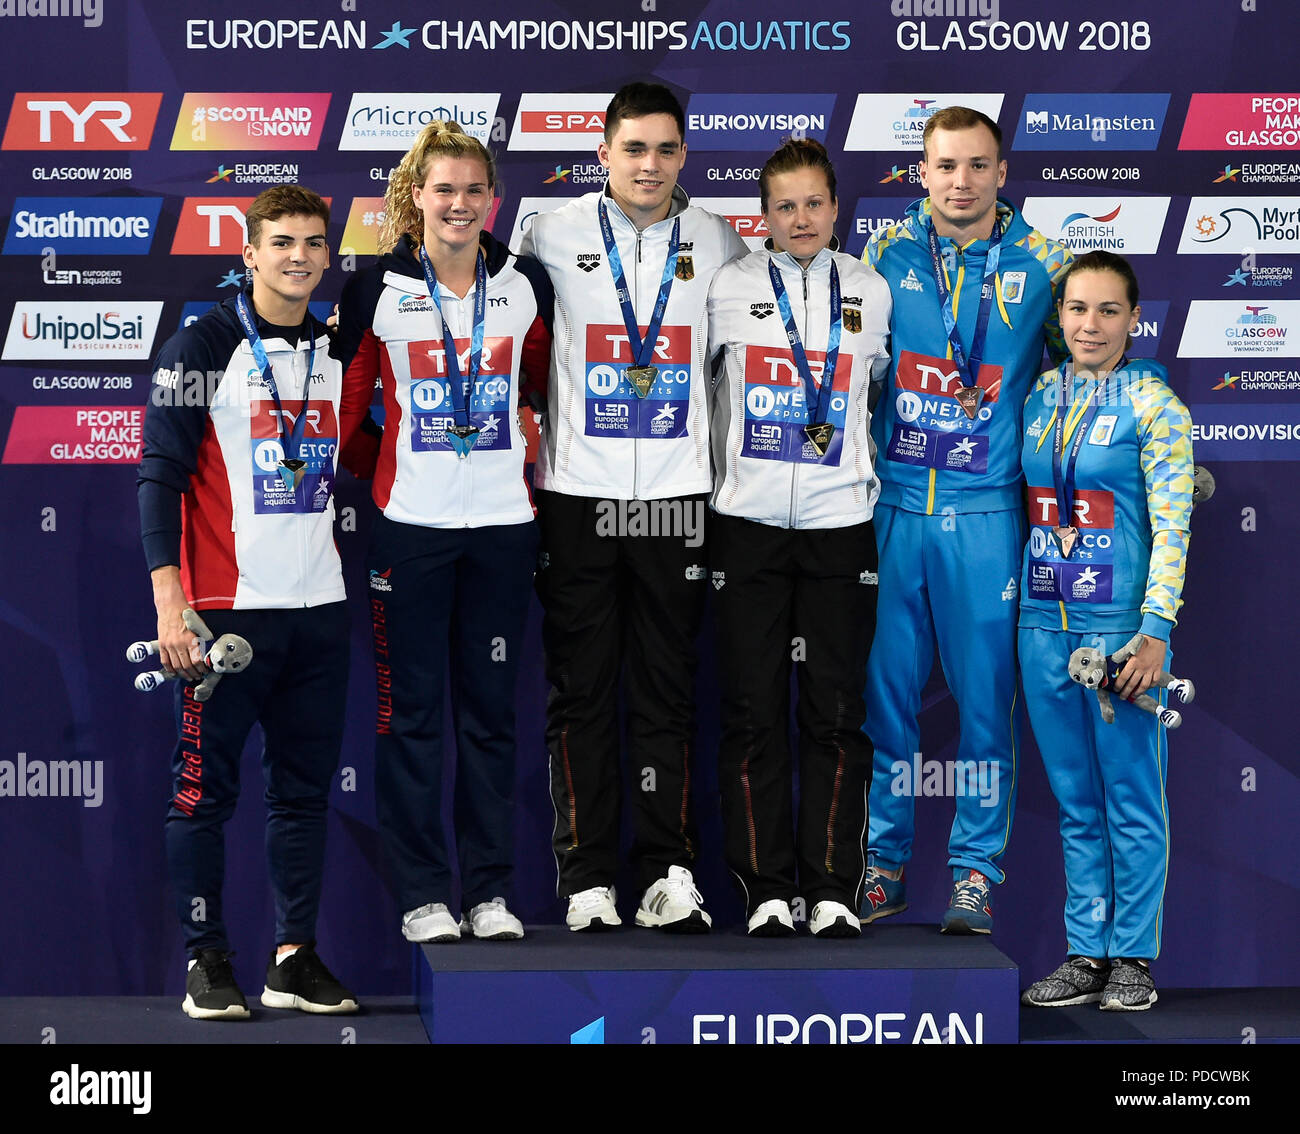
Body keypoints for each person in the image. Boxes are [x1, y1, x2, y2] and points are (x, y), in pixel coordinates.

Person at [518, 82, 748, 932]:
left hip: (681, 502)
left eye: (665, 149)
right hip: (579, 498)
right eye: (633, 149)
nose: (648, 165)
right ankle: (586, 881)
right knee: (581, 693)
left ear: (684, 155)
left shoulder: (720, 240)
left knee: (669, 693)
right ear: (603, 153)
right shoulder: (547, 233)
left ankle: (668, 871)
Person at [138, 186, 362, 1018]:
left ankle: (293, 960)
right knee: (203, 796)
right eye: (281, 242)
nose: (299, 256)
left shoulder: (336, 349)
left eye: (313, 242)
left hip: (320, 609)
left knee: (302, 795)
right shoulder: (204, 345)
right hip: (222, 617)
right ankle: (208, 964)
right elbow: (157, 475)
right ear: (249, 253)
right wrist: (170, 603)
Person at [334, 121, 553, 943]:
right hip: (411, 534)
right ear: (415, 196)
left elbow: (539, 384)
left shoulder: (525, 283)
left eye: (473, 190)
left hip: (503, 530)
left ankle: (491, 893)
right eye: (443, 190)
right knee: (413, 716)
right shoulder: (373, 290)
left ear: (492, 199)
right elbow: (348, 411)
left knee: (490, 717)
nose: (458, 205)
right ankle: (425, 894)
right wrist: (387, 469)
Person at [861, 107, 1073, 934]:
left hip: (989, 518)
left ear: (1002, 172)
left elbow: (1086, 365)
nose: (961, 182)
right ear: (922, 170)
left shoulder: (1044, 262)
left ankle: (975, 874)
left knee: (987, 703)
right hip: (895, 506)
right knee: (885, 701)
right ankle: (882, 863)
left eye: (978, 166)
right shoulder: (882, 253)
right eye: (946, 165)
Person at [707, 138, 891, 938]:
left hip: (840, 527)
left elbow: (877, 388)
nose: (801, 218)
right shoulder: (728, 285)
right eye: (785, 206)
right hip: (745, 526)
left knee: (836, 715)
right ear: (764, 216)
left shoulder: (873, 291)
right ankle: (766, 891)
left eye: (814, 202)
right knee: (750, 712)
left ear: (836, 206)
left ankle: (833, 889)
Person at [1017, 251, 1192, 1011]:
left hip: (1120, 627)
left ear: (1133, 320)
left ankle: (1134, 959)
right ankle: (1085, 951)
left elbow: (1173, 524)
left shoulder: (1155, 405)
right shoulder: (1041, 394)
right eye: (1078, 310)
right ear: (1060, 319)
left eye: (1108, 311)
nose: (1091, 325)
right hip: (1041, 622)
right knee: (1076, 802)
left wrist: (1154, 630)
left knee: (1130, 797)